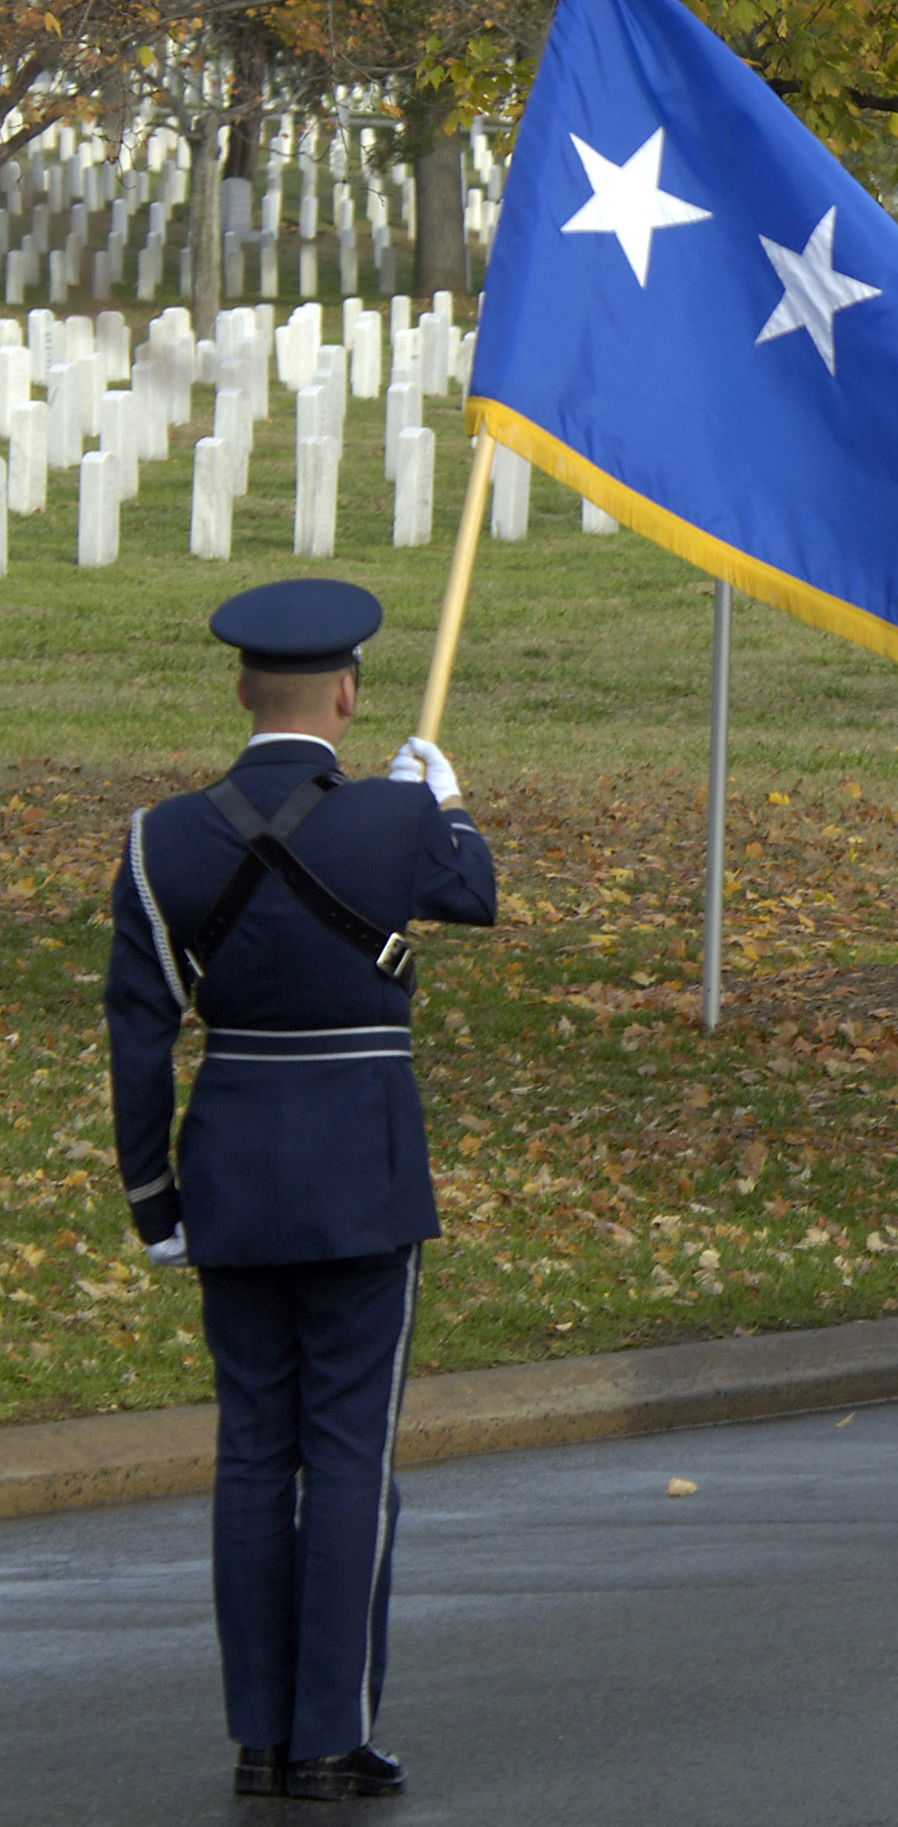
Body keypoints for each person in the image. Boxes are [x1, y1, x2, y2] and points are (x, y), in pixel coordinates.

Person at [104, 579, 496, 1801]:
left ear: (241, 689)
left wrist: (152, 1199)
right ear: (348, 694)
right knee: (349, 1457)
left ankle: (260, 1740)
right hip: (362, 1175)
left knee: (252, 1458)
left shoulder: (162, 839)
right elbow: (474, 893)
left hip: (230, 1172)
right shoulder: (394, 819)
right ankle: (331, 1734)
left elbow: (138, 1035)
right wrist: (447, 803)